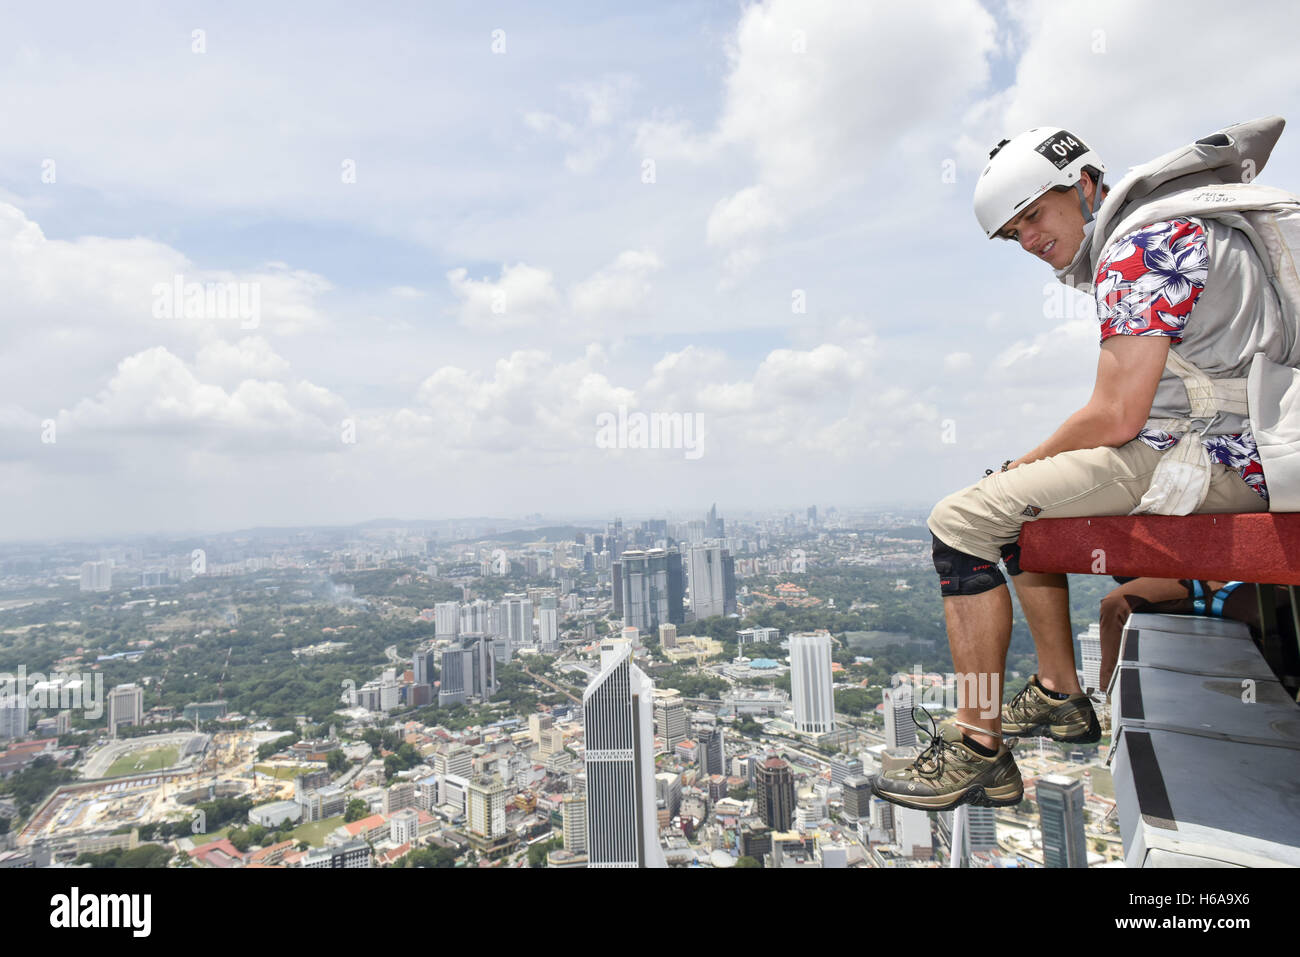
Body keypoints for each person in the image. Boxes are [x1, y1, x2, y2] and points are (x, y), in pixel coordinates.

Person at [870, 117, 1300, 812]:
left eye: (1034, 215)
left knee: (959, 520)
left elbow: (1117, 413)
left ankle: (977, 744)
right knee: (1014, 502)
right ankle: (1060, 692)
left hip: (1217, 456)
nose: (1030, 241)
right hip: (1249, 444)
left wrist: (1021, 466)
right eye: (1015, 234)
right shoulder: (1185, 222)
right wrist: (1022, 474)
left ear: (1087, 184)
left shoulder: (1142, 245)